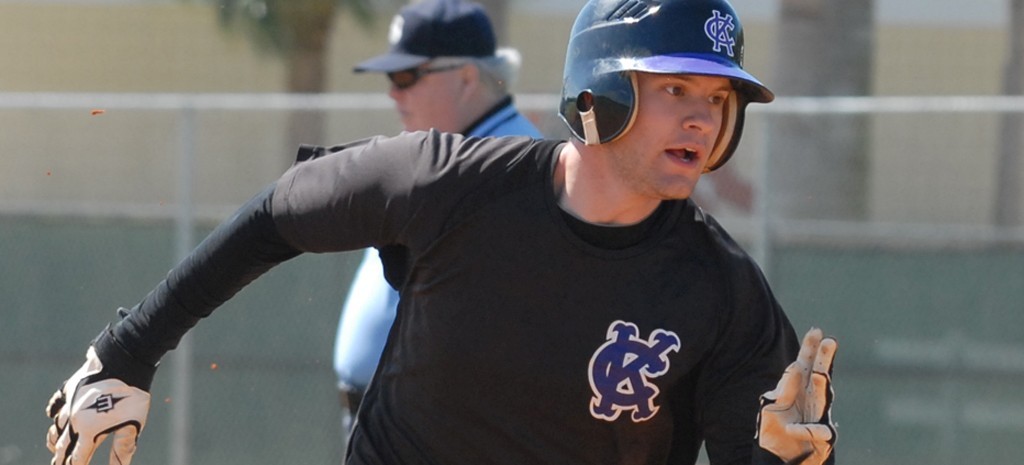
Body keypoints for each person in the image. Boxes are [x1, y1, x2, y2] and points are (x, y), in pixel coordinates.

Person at [44, 0, 839, 464]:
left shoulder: (722, 290)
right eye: (676, 88)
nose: (703, 115)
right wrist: (128, 353)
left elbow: (757, 451)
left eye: (719, 98)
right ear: (601, 93)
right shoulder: (448, 183)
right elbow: (278, 213)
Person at [334, 0, 543, 430]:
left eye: (407, 75)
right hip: (394, 423)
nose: (393, 92)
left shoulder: (512, 164)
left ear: (466, 77)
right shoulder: (444, 157)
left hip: (443, 431)